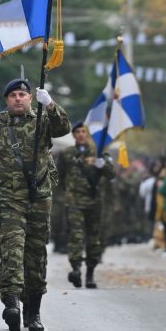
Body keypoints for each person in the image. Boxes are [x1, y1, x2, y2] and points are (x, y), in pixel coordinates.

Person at [0, 77, 70, 331]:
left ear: (31, 98)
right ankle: (11, 303)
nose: (18, 98)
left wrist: (51, 104)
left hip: (39, 198)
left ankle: (34, 310)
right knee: (11, 247)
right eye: (13, 95)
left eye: (23, 94)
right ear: (6, 100)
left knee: (35, 254)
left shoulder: (42, 119)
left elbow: (63, 128)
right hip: (8, 198)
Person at [57, 121, 114, 289]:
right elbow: (59, 176)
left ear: (88, 134)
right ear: (74, 135)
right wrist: (65, 195)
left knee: (93, 238)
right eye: (77, 132)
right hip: (74, 201)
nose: (81, 134)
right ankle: (76, 269)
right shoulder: (67, 153)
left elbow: (111, 174)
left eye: (84, 131)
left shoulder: (99, 152)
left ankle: (90, 273)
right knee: (75, 235)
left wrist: (101, 164)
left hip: (94, 201)